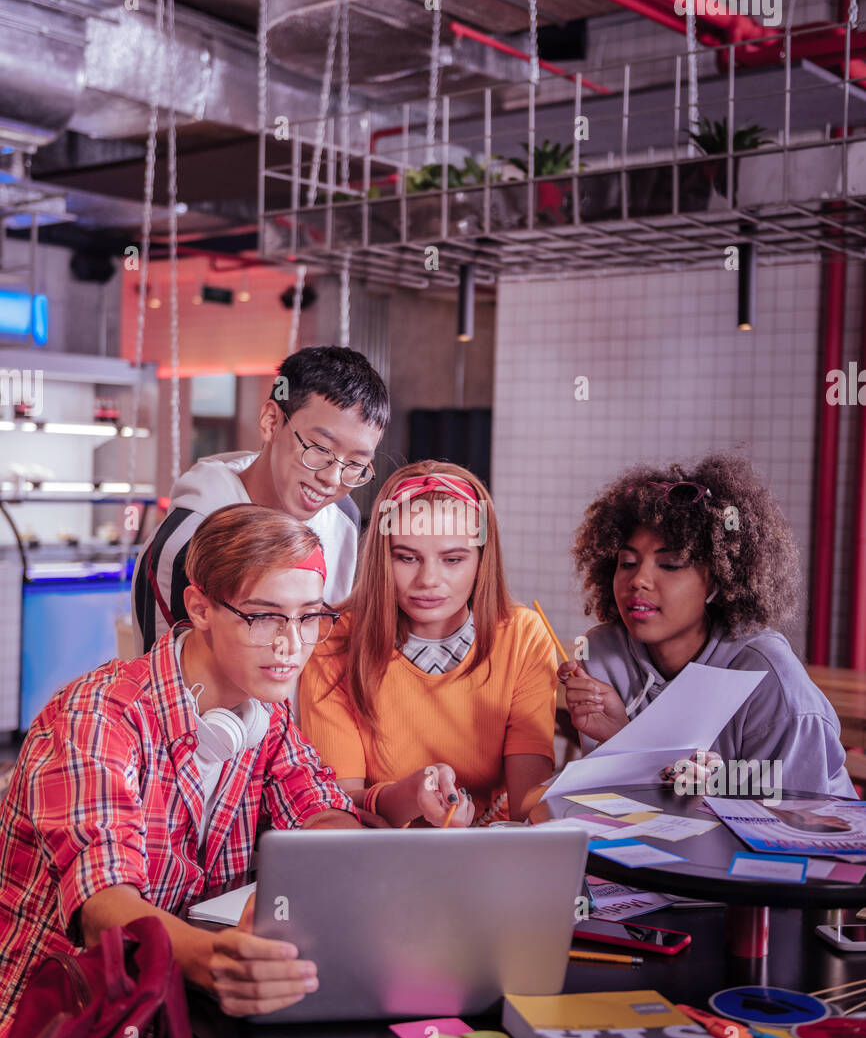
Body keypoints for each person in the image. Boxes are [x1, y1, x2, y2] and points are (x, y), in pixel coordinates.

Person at [0, 504, 361, 1038]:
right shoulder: (96, 717)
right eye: (264, 617)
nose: (292, 645)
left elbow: (319, 805)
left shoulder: (267, 712)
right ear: (200, 607)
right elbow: (105, 910)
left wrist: (327, 871)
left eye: (309, 616)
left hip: (170, 1021)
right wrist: (217, 961)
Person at [558, 454, 857, 799]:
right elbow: (612, 802)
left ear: (717, 581)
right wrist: (623, 737)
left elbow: (803, 814)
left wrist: (720, 787)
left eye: (670, 565)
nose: (638, 579)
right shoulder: (604, 655)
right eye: (627, 562)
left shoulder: (769, 676)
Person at [299, 461, 557, 827]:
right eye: (406, 557)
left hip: (491, 843)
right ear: (381, 558)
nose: (429, 580)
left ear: (483, 560)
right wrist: (411, 796)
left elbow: (529, 811)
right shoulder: (332, 640)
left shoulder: (524, 636)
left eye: (453, 559)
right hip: (378, 852)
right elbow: (341, 811)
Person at [132, 345, 389, 652]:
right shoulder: (185, 542)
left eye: (356, 464)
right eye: (320, 450)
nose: (332, 479)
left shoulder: (342, 515)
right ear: (270, 422)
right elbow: (162, 687)